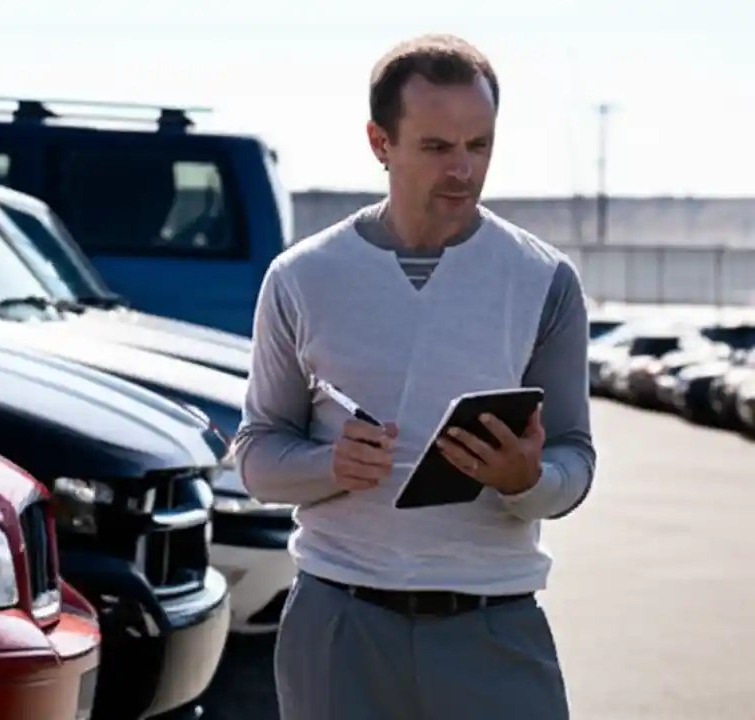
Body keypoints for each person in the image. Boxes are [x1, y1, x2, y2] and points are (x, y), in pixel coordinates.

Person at [233, 33, 596, 720]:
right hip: (339, 628)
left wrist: (526, 480)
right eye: (436, 147)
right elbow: (256, 458)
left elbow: (575, 459)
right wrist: (331, 465)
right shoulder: (302, 277)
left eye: (479, 145)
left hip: (495, 629)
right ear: (380, 142)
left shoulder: (544, 279)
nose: (462, 168)